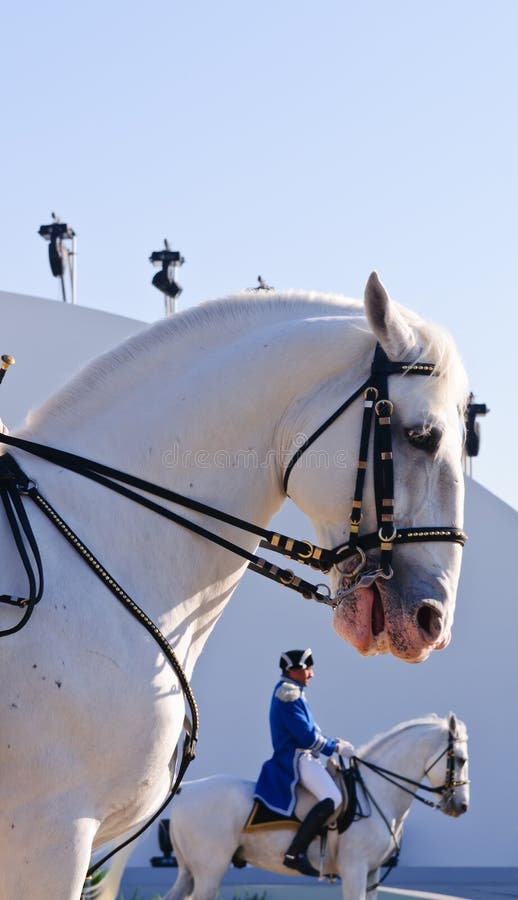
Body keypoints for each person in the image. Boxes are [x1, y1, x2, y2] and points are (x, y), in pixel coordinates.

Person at [254, 648, 354, 877]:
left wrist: (332, 742)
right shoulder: (287, 695)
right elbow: (307, 737)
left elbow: (310, 732)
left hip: (304, 755)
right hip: (296, 758)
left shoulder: (293, 691)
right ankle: (295, 853)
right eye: (308, 669)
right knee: (334, 798)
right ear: (294, 670)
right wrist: (335, 747)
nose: (311, 674)